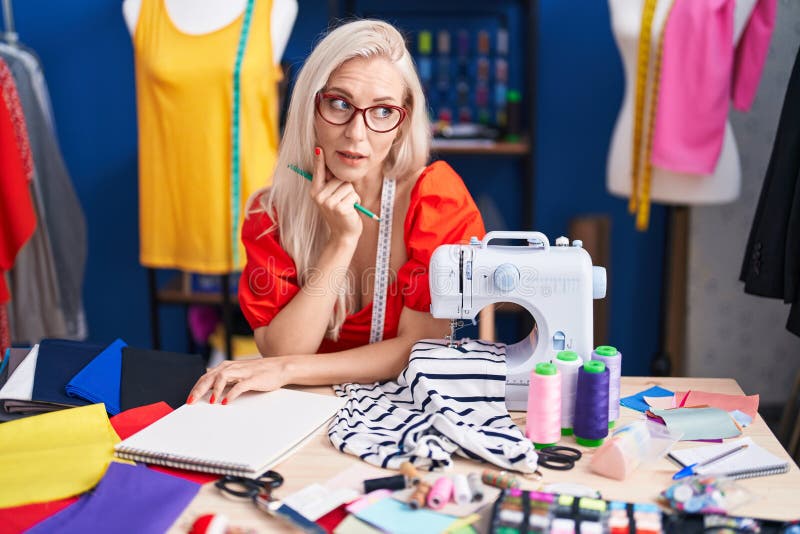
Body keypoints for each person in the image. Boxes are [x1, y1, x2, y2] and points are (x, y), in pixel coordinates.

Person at [187, 20, 485, 405]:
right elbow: (281, 351)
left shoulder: (435, 202)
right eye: (340, 104)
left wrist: (290, 370)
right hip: (299, 411)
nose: (356, 134)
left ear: (403, 121)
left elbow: (417, 348)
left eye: (381, 111)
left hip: (403, 407)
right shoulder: (270, 214)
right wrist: (341, 241)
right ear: (312, 106)